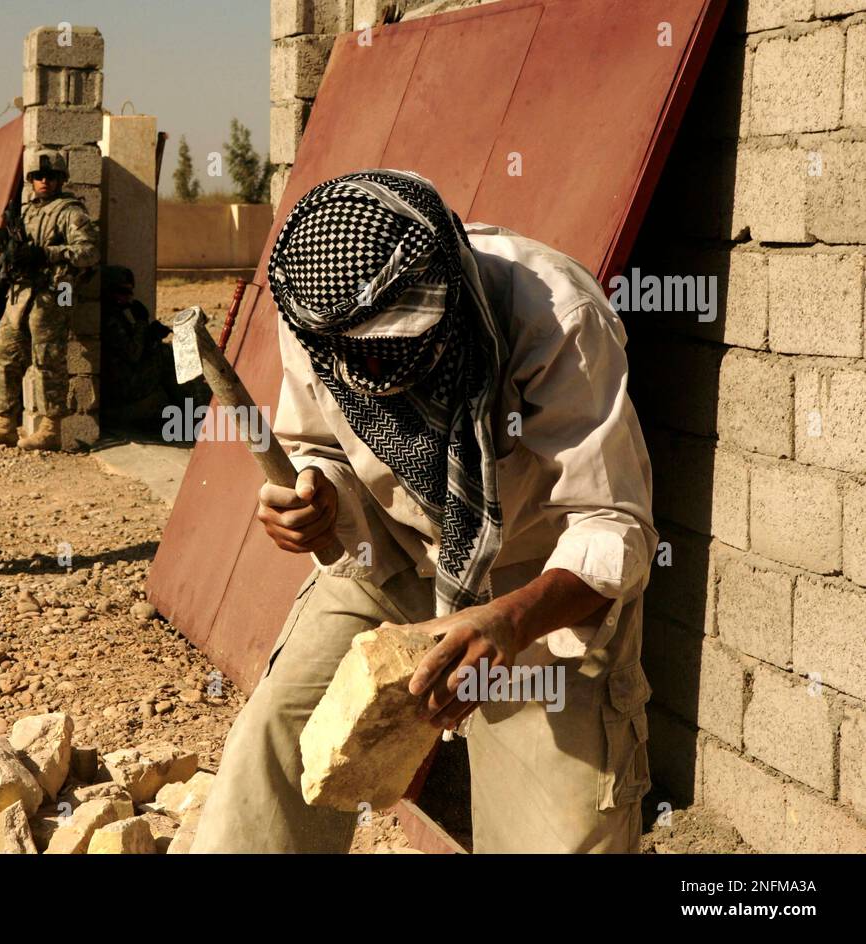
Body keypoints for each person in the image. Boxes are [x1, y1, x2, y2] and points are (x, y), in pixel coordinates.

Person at [190, 169, 658, 853]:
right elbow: (321, 447)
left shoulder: (556, 320)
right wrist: (317, 498)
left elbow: (612, 527)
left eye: (406, 344)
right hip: (390, 552)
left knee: (556, 837)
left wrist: (508, 621)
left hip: (536, 586)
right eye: (366, 359)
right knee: (275, 753)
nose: (383, 375)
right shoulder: (318, 315)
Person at [0, 149, 99, 452]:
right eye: (38, 177)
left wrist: (48, 254)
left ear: (60, 179)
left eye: (50, 176)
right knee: (3, 359)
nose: (44, 181)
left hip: (52, 297)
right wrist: (8, 250)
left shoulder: (70, 212)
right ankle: (5, 426)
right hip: (20, 296)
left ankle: (51, 429)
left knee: (48, 363)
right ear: (30, 180)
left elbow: (90, 252)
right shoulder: (25, 212)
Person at [99, 265, 207, 432]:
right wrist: (142, 323)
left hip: (124, 380)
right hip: (122, 387)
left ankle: (192, 414)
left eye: (129, 293)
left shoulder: (116, 314)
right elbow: (133, 354)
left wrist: (151, 334)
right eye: (121, 292)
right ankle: (197, 417)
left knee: (165, 351)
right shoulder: (109, 318)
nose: (127, 298)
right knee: (167, 355)